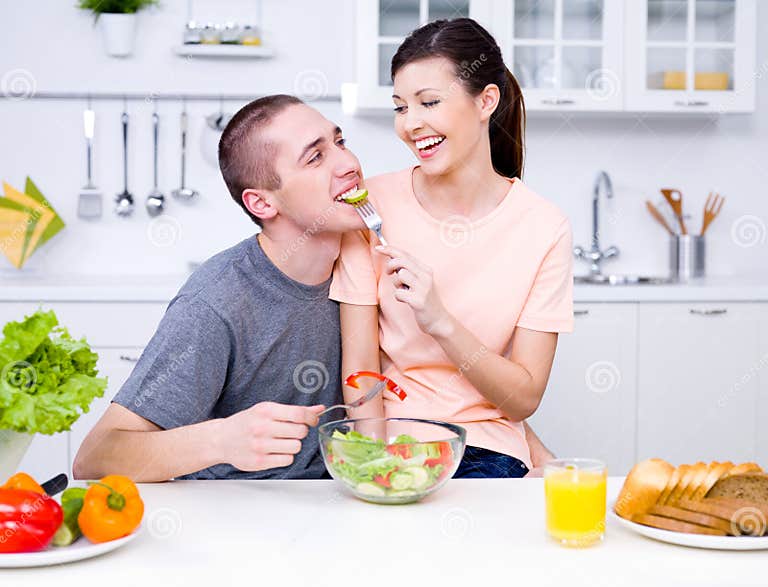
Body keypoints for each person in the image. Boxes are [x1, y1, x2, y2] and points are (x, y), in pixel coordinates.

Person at [74, 95, 366, 482]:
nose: (349, 163)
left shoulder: (367, 260)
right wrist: (222, 440)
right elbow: (96, 456)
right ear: (261, 203)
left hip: (337, 506)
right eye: (315, 158)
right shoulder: (217, 301)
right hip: (233, 516)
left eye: (340, 142)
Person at [331, 18, 574, 478]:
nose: (410, 124)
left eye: (429, 103)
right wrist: (373, 465)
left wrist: (440, 321)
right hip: (389, 440)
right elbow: (360, 367)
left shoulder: (544, 227)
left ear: (486, 101)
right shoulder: (369, 207)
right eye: (400, 107)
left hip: (484, 449)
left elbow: (522, 399)